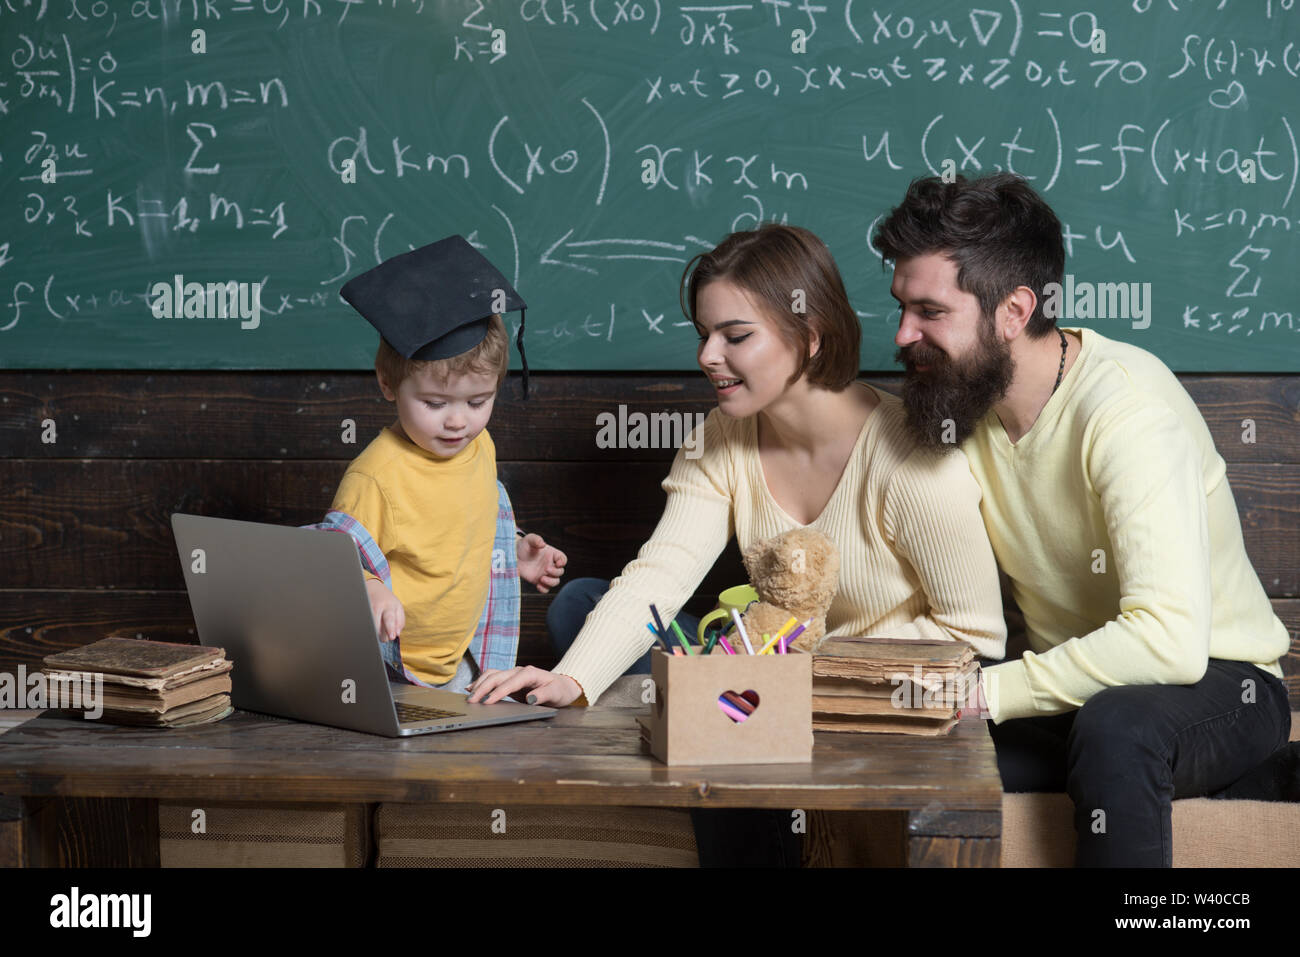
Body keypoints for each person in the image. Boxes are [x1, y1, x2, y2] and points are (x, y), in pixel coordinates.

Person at [872, 172, 1296, 866]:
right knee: (921, 739)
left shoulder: (1128, 412)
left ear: (1013, 310)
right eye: (900, 307)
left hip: (1222, 682)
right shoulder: (957, 402)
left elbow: (1169, 643)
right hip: (1073, 687)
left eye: (929, 312)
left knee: (1117, 725)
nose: (902, 335)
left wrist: (990, 689)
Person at [466, 223, 1005, 709]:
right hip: (756, 670)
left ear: (811, 336)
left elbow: (977, 637)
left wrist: (809, 671)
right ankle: (706, 721)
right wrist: (572, 679)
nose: (707, 355)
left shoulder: (915, 462)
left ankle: (715, 730)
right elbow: (663, 573)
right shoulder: (722, 439)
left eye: (736, 336)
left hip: (864, 690)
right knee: (581, 604)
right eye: (705, 334)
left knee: (733, 706)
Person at [314, 235, 567, 693]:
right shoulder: (377, 477)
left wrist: (511, 553)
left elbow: (459, 524)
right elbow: (331, 561)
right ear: (388, 383)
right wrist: (368, 588)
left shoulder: (479, 446)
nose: (457, 421)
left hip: (459, 668)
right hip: (386, 671)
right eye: (433, 403)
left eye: (478, 400)